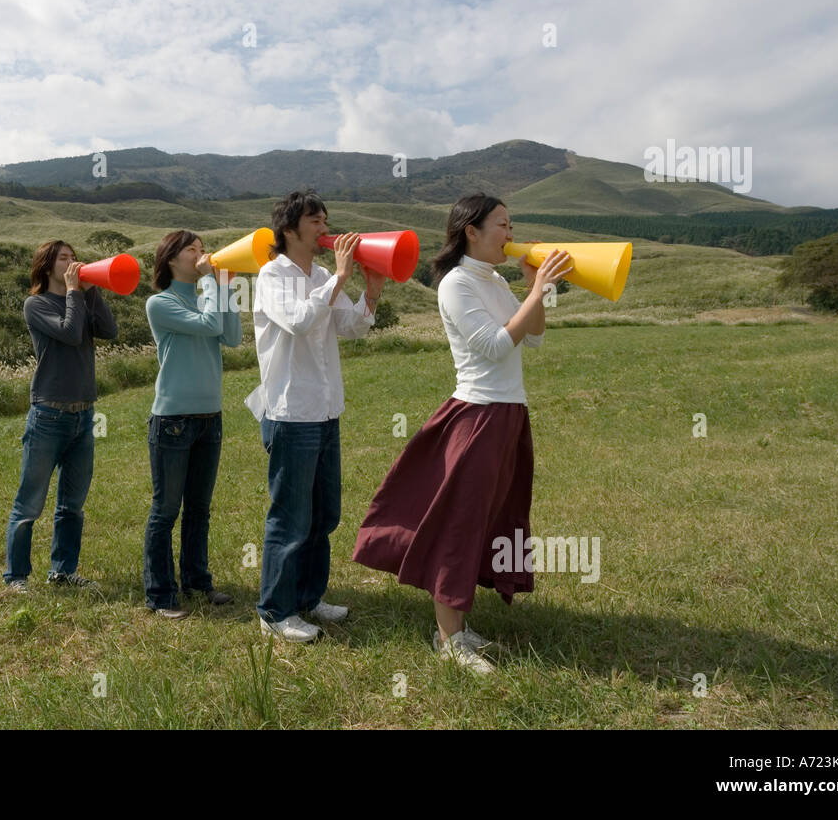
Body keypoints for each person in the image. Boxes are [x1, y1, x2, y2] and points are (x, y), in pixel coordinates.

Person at [352, 193, 570, 673]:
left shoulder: (492, 280)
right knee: (459, 524)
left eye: (511, 225)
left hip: (508, 414)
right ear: (471, 230)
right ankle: (449, 639)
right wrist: (536, 292)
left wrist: (535, 289)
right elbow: (493, 346)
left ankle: (459, 628)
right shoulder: (455, 284)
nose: (510, 234)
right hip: (477, 417)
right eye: (502, 225)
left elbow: (533, 336)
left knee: (488, 518)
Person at [247, 190, 385, 643]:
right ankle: (275, 611)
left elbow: (351, 328)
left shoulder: (324, 273)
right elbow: (301, 321)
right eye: (314, 219)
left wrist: (372, 288)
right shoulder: (272, 274)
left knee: (324, 513)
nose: (325, 226)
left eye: (326, 217)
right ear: (289, 229)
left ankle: (308, 597)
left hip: (326, 410)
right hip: (291, 411)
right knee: (290, 516)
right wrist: (341, 277)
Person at [3, 239, 118, 591]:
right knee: (30, 501)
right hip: (48, 415)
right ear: (46, 265)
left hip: (84, 415)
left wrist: (91, 290)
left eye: (73, 256)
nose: (72, 262)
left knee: (72, 504)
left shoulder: (79, 297)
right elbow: (69, 332)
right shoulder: (35, 304)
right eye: (63, 258)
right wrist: (74, 292)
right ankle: (16, 577)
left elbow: (110, 332)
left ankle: (63, 572)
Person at [142, 231, 243, 619]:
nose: (202, 255)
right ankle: (161, 594)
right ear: (170, 259)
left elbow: (231, 336)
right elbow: (207, 325)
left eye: (203, 250)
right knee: (166, 510)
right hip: (173, 419)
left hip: (209, 417)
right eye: (193, 250)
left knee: (199, 509)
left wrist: (223, 290)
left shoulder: (209, 295)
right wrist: (213, 285)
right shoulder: (160, 303)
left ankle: (198, 582)